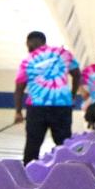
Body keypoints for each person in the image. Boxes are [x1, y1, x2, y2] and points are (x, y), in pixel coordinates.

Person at [13, 31, 80, 164]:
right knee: (63, 144)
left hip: (37, 107)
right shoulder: (63, 53)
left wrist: (18, 112)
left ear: (29, 42)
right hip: (62, 105)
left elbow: (19, 88)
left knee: (33, 144)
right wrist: (71, 95)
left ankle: (29, 177)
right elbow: (77, 75)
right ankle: (68, 175)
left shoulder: (27, 60)